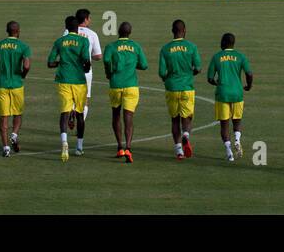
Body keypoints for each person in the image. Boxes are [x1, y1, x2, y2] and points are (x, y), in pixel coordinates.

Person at [47, 15, 92, 162]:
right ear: (77, 28)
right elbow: (86, 61)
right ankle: (79, 147)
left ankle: (64, 142)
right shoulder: (84, 40)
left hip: (63, 79)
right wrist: (83, 67)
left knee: (65, 112)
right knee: (79, 113)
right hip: (79, 81)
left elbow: (50, 63)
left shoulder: (60, 41)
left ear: (66, 27)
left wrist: (61, 63)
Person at [103, 22, 148, 164]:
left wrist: (109, 72)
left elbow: (105, 59)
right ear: (130, 32)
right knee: (128, 116)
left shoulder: (111, 46)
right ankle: (128, 147)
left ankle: (120, 147)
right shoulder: (136, 46)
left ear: (118, 32)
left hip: (116, 84)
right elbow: (144, 65)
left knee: (116, 114)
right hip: (131, 85)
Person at [158, 19, 202, 160]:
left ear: (172, 31)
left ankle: (178, 150)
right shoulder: (191, 47)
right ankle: (186, 135)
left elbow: (162, 72)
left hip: (172, 87)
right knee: (187, 117)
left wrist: (167, 79)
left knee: (174, 119)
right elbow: (198, 68)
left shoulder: (165, 49)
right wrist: (190, 74)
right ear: (185, 31)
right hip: (187, 87)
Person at [206, 33, 253, 162]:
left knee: (224, 124)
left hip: (222, 93)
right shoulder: (240, 56)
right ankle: (237, 140)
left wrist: (216, 82)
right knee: (237, 121)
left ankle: (229, 152)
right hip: (237, 93)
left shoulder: (216, 57)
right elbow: (249, 73)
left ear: (223, 42)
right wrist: (249, 85)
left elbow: (209, 78)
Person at [0, 21, 31, 156]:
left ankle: (6, 147)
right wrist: (22, 74)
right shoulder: (24, 47)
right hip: (17, 85)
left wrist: (0, 71)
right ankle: (14, 134)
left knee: (4, 117)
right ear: (18, 31)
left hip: (2, 85)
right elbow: (27, 66)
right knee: (18, 113)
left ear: (7, 30)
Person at [72, 8, 102, 156]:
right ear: (86, 19)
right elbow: (98, 56)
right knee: (85, 100)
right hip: (86, 72)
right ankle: (79, 125)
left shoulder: (68, 32)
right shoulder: (92, 34)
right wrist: (90, 56)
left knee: (70, 97)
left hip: (70, 70)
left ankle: (71, 111)